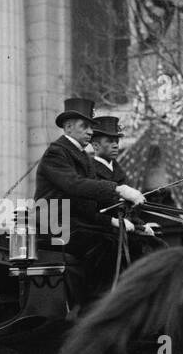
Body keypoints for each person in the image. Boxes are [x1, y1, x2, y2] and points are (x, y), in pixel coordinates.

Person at [34, 97, 146, 307]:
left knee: (126, 239)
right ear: (68, 127)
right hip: (55, 227)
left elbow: (90, 201)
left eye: (91, 127)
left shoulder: (81, 156)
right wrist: (118, 189)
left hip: (75, 223)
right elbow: (75, 185)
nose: (90, 132)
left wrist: (118, 220)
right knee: (107, 244)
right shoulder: (56, 152)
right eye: (84, 126)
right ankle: (95, 308)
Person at [90, 115, 160, 259]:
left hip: (125, 231)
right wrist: (117, 223)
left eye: (116, 141)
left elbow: (128, 209)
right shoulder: (89, 171)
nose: (115, 145)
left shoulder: (118, 171)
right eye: (109, 141)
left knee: (159, 247)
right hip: (101, 233)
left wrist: (142, 225)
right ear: (95, 146)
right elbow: (89, 211)